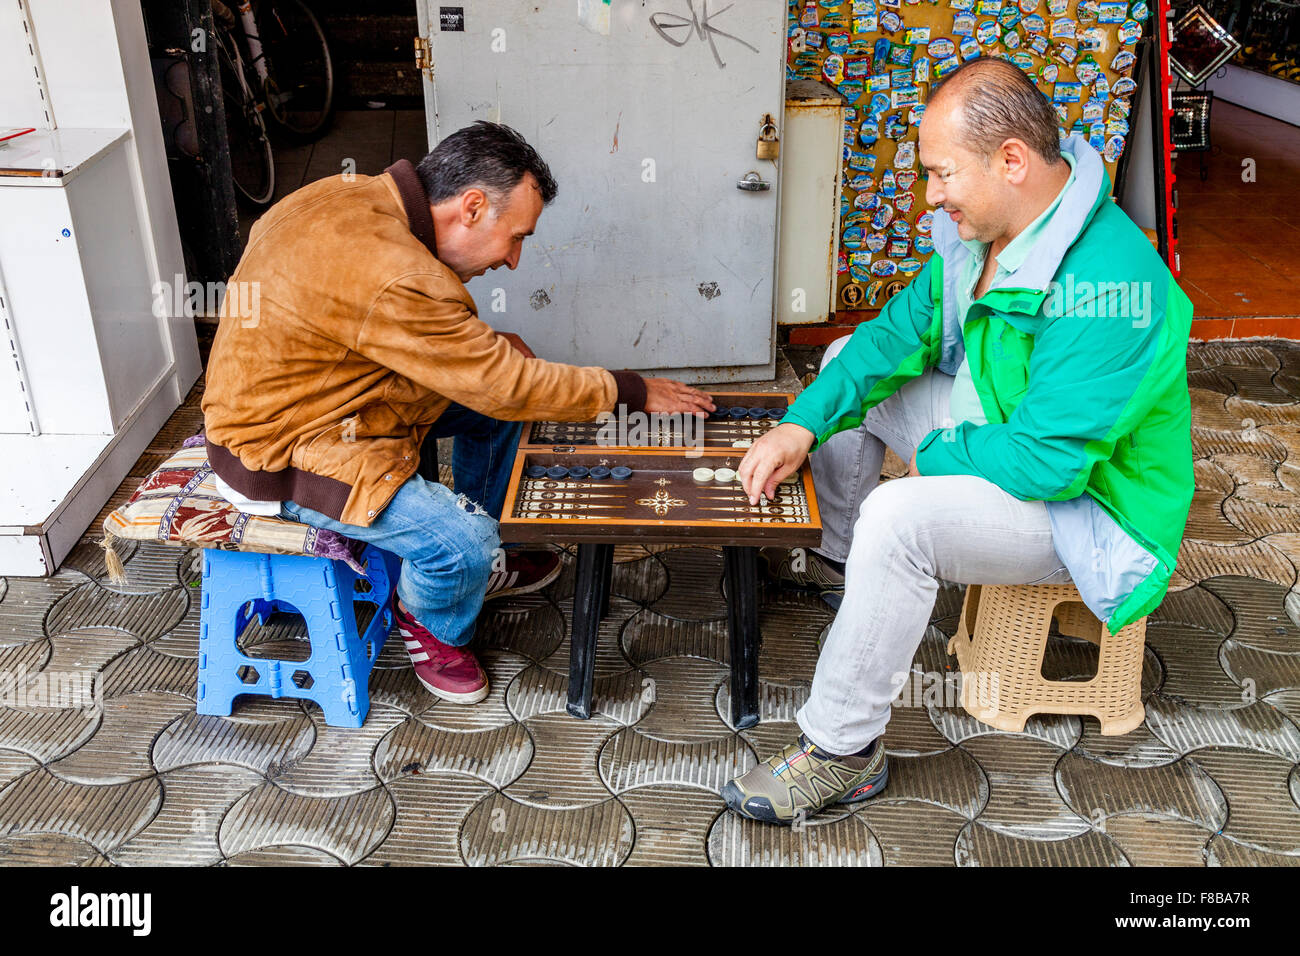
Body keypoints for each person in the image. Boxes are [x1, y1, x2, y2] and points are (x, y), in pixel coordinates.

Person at [721, 56, 1194, 824]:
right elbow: (891, 342)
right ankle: (842, 567)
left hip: (1092, 510)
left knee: (900, 521)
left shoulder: (1115, 286)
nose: (931, 195)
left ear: (1011, 160)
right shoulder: (985, 237)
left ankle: (844, 751)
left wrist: (932, 461)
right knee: (846, 367)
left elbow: (1049, 463)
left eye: (941, 174)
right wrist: (797, 425)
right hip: (1001, 435)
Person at [202, 121, 714, 705]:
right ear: (471, 207)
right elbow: (501, 380)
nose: (515, 260)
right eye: (515, 237)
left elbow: (374, 322)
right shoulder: (398, 272)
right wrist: (633, 390)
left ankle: (486, 559)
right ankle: (433, 620)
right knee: (463, 538)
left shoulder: (347, 196)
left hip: (341, 399)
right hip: (281, 450)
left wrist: (477, 350)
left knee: (499, 407)